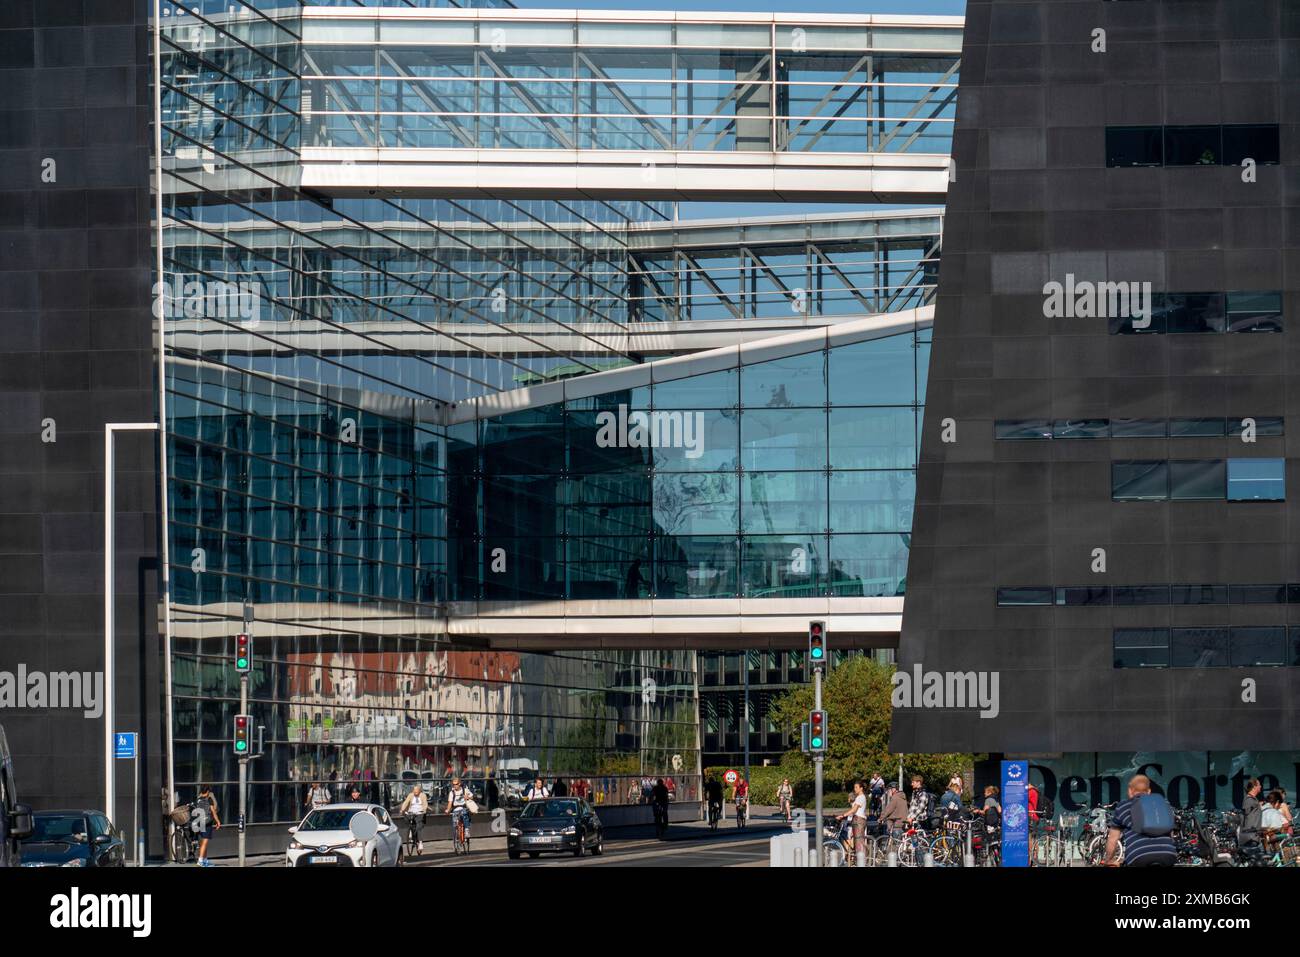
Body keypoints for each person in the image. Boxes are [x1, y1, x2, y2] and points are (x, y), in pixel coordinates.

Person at [1104, 774, 1175, 867]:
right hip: (1168, 854)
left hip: (1138, 856)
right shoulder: (1164, 803)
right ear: (1149, 791)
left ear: (1130, 791)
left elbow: (1113, 839)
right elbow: (1170, 833)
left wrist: (1109, 860)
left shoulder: (1123, 806)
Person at [836, 780, 869, 866]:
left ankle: (861, 862)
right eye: (854, 787)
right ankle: (860, 861)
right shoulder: (860, 797)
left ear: (861, 788)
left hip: (859, 820)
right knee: (857, 842)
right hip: (857, 820)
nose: (855, 789)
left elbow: (854, 810)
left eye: (856, 787)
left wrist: (843, 815)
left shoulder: (860, 797)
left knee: (858, 842)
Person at [192, 784, 221, 867]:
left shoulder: (198, 799)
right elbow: (213, 812)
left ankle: (205, 861)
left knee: (203, 843)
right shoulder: (209, 799)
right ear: (208, 791)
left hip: (199, 822)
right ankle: (200, 861)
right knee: (205, 842)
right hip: (207, 823)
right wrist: (218, 821)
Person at [399, 783, 429, 853]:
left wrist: (424, 810)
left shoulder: (423, 795)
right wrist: (402, 809)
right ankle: (410, 832)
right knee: (407, 820)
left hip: (420, 812)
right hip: (412, 811)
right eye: (414, 791)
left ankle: (420, 842)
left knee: (418, 826)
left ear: (419, 791)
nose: (415, 793)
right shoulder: (410, 795)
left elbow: (425, 804)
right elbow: (406, 802)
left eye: (416, 792)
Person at [446, 776, 472, 847]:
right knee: (455, 824)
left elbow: (472, 796)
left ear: (459, 783)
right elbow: (450, 803)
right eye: (453, 784)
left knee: (464, 814)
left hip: (463, 807)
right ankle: (457, 837)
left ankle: (466, 830)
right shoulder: (451, 793)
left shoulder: (465, 790)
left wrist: (468, 797)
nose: (455, 786)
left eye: (456, 784)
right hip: (455, 810)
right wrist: (447, 810)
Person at [1240, 778, 1264, 846]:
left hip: (1254, 836)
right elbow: (1245, 814)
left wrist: (1258, 804)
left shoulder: (1253, 800)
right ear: (1254, 787)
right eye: (1259, 785)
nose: (1260, 786)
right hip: (1250, 836)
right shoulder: (1249, 800)